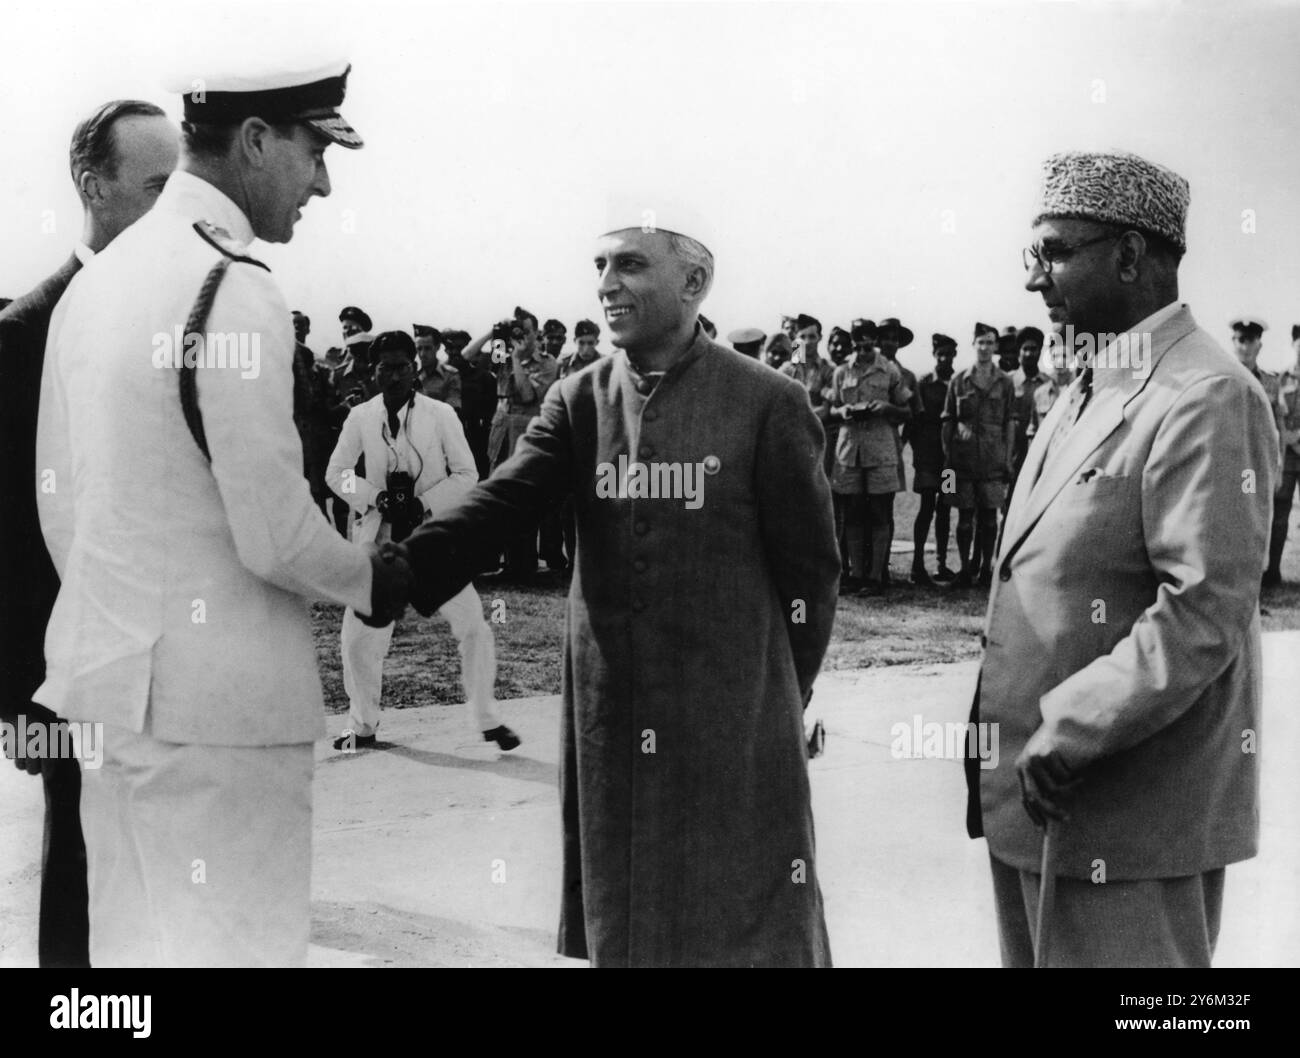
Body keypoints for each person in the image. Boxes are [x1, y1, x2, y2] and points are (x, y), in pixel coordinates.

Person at [34, 58, 412, 967]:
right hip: (225, 718)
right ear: (253, 140)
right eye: (315, 149)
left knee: (130, 974)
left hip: (108, 696)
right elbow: (275, 531)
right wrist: (379, 578)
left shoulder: (97, 281)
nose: (322, 181)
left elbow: (63, 504)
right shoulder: (230, 283)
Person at [394, 203, 839, 967]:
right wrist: (398, 572)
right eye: (599, 267)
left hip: (729, 712)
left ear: (695, 281)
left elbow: (811, 573)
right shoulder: (578, 399)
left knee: (743, 916)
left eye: (629, 265)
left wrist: (773, 696)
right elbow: (503, 502)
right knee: (627, 914)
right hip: (613, 711)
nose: (606, 284)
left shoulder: (768, 403)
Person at [967, 149, 1276, 968]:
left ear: (1133, 256)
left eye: (1056, 252)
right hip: (1041, 804)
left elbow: (1205, 605)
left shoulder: (1206, 393)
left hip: (1128, 808)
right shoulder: (1093, 383)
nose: (1036, 280)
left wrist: (1071, 726)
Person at [0, 98, 178, 969]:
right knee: (79, 863)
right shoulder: (20, 336)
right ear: (92, 187)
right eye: (154, 186)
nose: (174, 207)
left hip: (177, 661)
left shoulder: (186, 324)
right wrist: (20, 698)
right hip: (70, 674)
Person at [326, 330, 518, 751]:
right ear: (373, 373)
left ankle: (488, 719)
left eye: (401, 366)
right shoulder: (360, 416)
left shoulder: (441, 414)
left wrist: (424, 503)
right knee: (358, 640)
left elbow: (467, 474)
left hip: (434, 539)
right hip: (380, 544)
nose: (393, 375)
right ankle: (362, 726)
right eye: (384, 368)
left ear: (414, 369)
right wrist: (373, 496)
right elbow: (335, 472)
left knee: (473, 625)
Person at [828, 318, 912, 594]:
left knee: (879, 513)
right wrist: (844, 412)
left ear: (873, 341)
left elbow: (908, 411)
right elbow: (833, 409)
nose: (861, 346)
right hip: (850, 450)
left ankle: (875, 577)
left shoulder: (889, 370)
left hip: (881, 450)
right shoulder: (842, 372)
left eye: (866, 341)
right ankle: (855, 574)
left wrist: (886, 407)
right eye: (857, 340)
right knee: (852, 514)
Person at [941, 322, 1014, 588]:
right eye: (980, 342)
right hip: (962, 459)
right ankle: (963, 568)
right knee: (964, 517)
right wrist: (947, 460)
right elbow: (948, 421)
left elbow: (1009, 422)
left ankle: (985, 568)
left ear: (995, 347)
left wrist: (1007, 460)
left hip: (993, 459)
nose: (984, 348)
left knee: (990, 518)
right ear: (973, 345)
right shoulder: (958, 380)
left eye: (989, 342)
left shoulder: (1005, 382)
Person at [907, 334, 957, 585]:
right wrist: (918, 452)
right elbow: (914, 420)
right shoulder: (924, 383)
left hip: (950, 458)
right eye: (941, 354)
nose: (944, 358)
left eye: (949, 354)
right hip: (928, 455)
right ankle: (917, 564)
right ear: (934, 354)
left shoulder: (958, 382)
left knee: (945, 507)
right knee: (927, 505)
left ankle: (941, 564)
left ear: (954, 355)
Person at [291, 309, 335, 517]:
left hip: (315, 437)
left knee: (317, 492)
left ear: (308, 328)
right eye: (292, 324)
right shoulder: (280, 358)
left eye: (301, 324)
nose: (296, 328)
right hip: (293, 433)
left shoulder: (318, 362)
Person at [1267, 324, 1300, 586]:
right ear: (1293, 345)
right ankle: (1274, 571)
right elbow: (1277, 413)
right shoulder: (1282, 378)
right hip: (1287, 456)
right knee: (1280, 515)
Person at [1007, 325, 1048, 499]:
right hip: (1011, 450)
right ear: (1019, 352)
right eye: (1025, 349)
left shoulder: (1048, 384)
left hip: (1037, 450)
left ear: (1040, 352)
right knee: (1005, 501)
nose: (1030, 354)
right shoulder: (1007, 381)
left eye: (1034, 349)